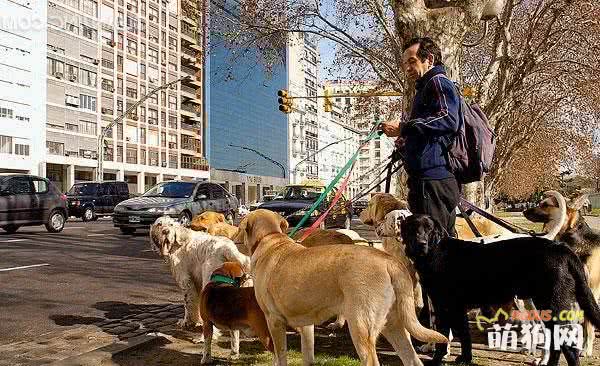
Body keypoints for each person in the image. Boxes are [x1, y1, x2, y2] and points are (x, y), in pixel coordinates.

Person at [380, 37, 461, 236]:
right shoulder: (426, 87)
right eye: (404, 63)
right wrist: (403, 143)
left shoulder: (438, 83)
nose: (407, 68)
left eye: (412, 61)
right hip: (425, 181)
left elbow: (448, 119)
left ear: (429, 59)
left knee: (436, 249)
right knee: (437, 247)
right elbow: (427, 131)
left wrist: (404, 128)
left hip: (433, 181)